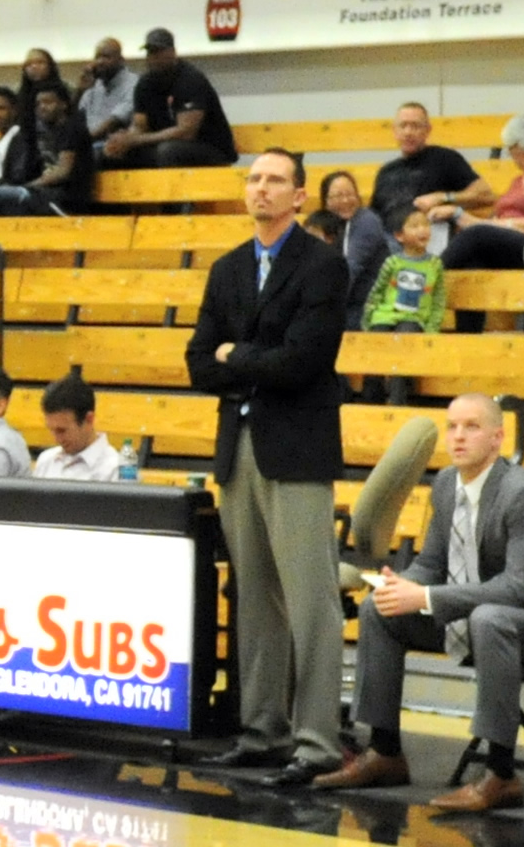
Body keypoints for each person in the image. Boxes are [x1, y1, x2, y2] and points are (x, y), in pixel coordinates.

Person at [312, 393, 524, 811]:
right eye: (452, 426)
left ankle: (501, 775)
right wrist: (402, 585)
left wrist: (425, 596)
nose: (458, 436)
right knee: (379, 609)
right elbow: (432, 564)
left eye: (471, 427)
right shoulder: (446, 484)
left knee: (491, 618)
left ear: (497, 438)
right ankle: (384, 752)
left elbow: (516, 590)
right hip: (483, 611)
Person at [185, 147, 348, 786]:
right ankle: (261, 732)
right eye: (254, 179)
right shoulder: (227, 267)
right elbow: (199, 362)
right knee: (252, 596)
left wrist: (237, 356)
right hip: (239, 445)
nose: (261, 188)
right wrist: (247, 359)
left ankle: (318, 743)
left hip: (298, 446)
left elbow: (304, 361)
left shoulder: (323, 264)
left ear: (299, 196)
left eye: (275, 180)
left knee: (310, 602)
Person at [435, 114, 524, 333]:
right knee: (472, 264)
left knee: (477, 235)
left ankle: (427, 277)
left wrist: (508, 224)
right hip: (509, 243)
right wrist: (457, 214)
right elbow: (490, 225)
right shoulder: (518, 181)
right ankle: (467, 337)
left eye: (511, 148)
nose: (510, 155)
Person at [102, 28, 236, 168]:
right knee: (113, 154)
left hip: (210, 148)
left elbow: (186, 133)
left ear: (172, 52)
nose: (153, 57)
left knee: (168, 151)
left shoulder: (190, 79)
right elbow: (140, 126)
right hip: (165, 144)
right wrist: (125, 139)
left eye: (158, 51)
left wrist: (137, 140)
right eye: (150, 52)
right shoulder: (145, 83)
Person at [0, 79, 93, 217]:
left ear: (63, 104)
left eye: (48, 102)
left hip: (63, 200)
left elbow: (62, 172)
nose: (42, 107)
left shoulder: (73, 129)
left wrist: (28, 186)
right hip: (41, 196)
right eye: (38, 104)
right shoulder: (45, 133)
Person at [368, 102, 495, 242]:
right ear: (394, 131)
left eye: (415, 126)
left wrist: (443, 198)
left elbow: (486, 195)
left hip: (427, 240)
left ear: (427, 130)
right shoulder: (386, 172)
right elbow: (374, 216)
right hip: (387, 240)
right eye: (403, 126)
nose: (408, 132)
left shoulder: (444, 159)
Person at [363, 207, 446, 334]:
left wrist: (432, 329)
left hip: (415, 319)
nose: (422, 230)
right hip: (384, 316)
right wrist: (368, 320)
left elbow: (438, 298)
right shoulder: (392, 262)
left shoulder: (435, 264)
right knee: (378, 334)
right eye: (414, 226)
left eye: (426, 224)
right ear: (399, 236)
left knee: (406, 333)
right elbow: (377, 292)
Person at [322, 170, 388, 331]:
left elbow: (350, 269)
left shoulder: (366, 221)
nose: (345, 200)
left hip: (366, 306)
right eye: (338, 196)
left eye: (350, 194)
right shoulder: (325, 225)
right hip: (342, 304)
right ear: (326, 201)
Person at [30, 373, 119, 481]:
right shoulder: (45, 461)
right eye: (52, 430)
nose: (57, 439)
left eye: (62, 430)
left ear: (89, 419)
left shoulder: (114, 469)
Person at [77, 37, 139, 149]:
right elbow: (76, 117)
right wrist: (80, 91)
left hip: (112, 143)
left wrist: (80, 143)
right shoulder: (93, 83)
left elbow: (114, 122)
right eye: (97, 57)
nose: (100, 62)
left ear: (121, 60)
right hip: (87, 142)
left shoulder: (133, 84)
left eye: (106, 57)